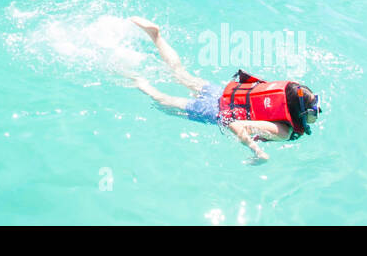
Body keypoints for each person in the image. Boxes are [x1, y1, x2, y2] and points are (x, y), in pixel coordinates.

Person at [127, 17, 321, 161]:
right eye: (313, 111)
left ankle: (156, 36)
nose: (317, 113)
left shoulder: (286, 94)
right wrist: (257, 151)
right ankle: (131, 77)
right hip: (215, 111)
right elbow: (235, 125)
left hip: (222, 93)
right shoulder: (284, 131)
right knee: (160, 99)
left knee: (180, 74)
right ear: (299, 112)